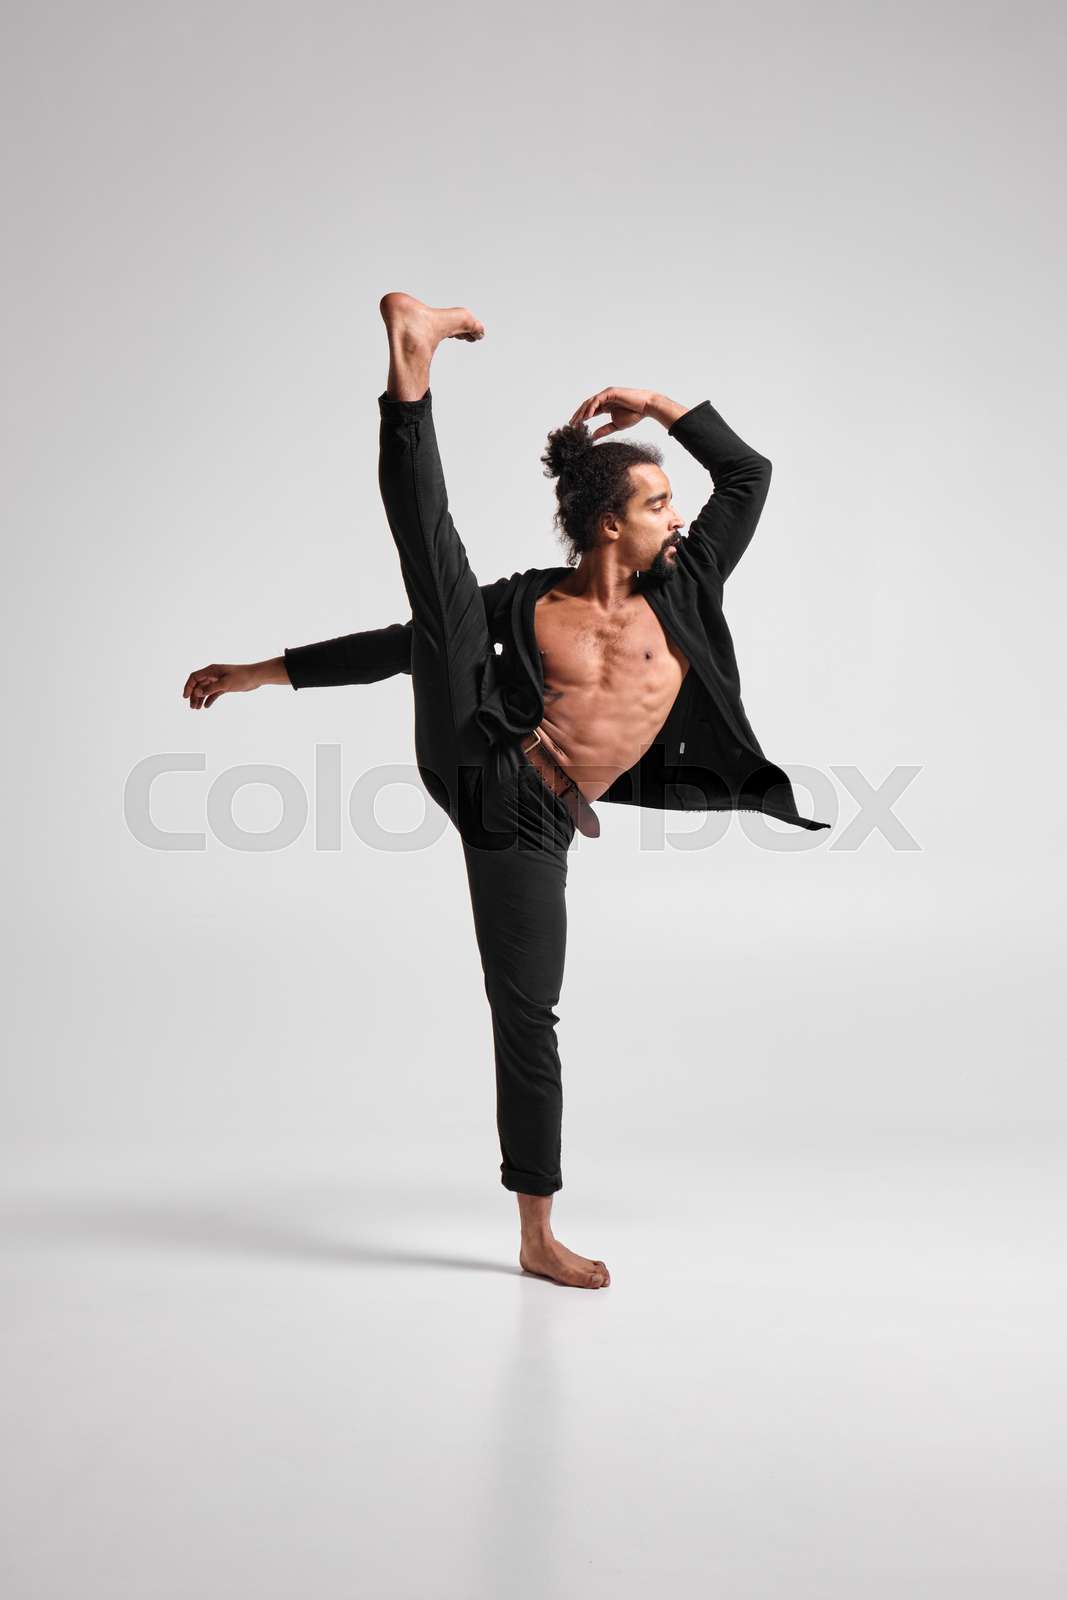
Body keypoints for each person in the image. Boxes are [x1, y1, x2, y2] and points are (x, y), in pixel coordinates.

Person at [182, 292, 831, 1290]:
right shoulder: (528, 602)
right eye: (659, 503)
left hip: (530, 826)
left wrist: (657, 404)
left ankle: (535, 1233)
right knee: (434, 574)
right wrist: (254, 673)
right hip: (474, 754)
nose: (680, 514)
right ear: (612, 524)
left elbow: (749, 472)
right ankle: (410, 376)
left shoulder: (690, 585)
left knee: (526, 1011)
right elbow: (405, 646)